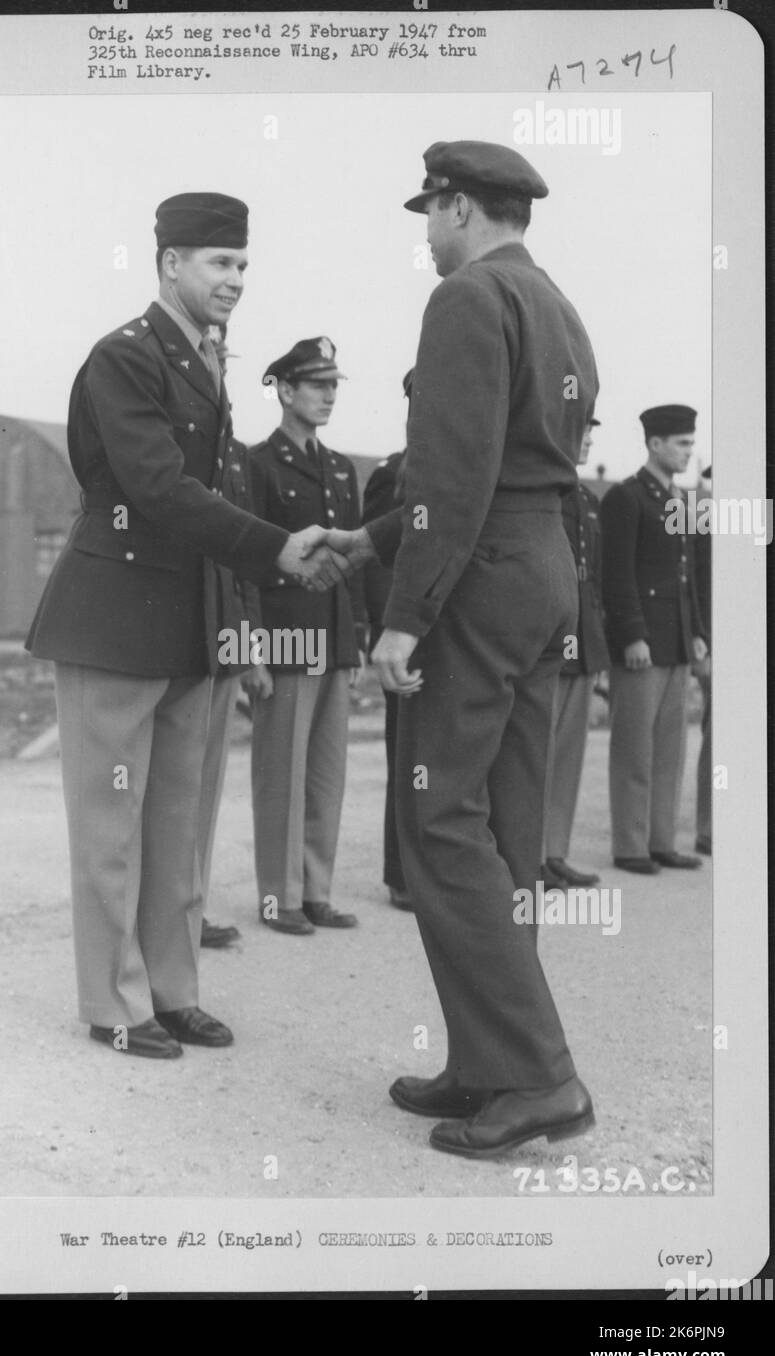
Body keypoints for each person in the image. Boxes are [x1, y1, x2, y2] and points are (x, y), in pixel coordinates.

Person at [326, 140, 599, 1158]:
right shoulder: (556, 306)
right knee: (505, 825)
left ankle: (538, 1077)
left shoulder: (464, 300)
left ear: (454, 207)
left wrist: (402, 615)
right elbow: (514, 469)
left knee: (439, 820)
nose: (426, 237)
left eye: (427, 215)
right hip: (539, 568)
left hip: (479, 579)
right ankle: (488, 1060)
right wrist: (372, 536)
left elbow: (451, 467)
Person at [25, 193, 344, 1059]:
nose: (235, 279)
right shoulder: (124, 358)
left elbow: (217, 498)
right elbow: (160, 489)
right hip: (114, 622)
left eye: (242, 265)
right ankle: (115, 1004)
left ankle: (172, 992)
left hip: (190, 626)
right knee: (111, 830)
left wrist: (236, 627)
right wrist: (277, 549)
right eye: (218, 263)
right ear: (169, 263)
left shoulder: (205, 360)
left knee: (177, 828)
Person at [244, 337, 365, 935]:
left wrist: (358, 638)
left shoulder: (341, 468)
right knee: (281, 775)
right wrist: (251, 649)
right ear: (284, 391)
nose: (328, 395)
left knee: (324, 773)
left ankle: (316, 891)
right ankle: (279, 896)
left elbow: (356, 563)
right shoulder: (256, 465)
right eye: (317, 385)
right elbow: (243, 562)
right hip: (286, 639)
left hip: (335, 638)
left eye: (334, 385)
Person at [600, 405, 708, 874]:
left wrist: (699, 634)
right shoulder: (626, 498)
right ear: (655, 444)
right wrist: (631, 636)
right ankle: (630, 846)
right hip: (642, 643)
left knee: (670, 748)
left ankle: (661, 840)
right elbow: (617, 575)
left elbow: (690, 578)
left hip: (679, 639)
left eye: (690, 442)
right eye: (681, 443)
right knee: (634, 748)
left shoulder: (682, 502)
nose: (688, 451)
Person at [541, 417, 610, 889]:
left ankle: (555, 851)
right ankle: (530, 856)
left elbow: (595, 577)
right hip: (548, 641)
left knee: (567, 757)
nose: (587, 439)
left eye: (591, 432)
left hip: (583, 643)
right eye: (580, 430)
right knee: (536, 757)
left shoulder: (585, 497)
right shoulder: (543, 490)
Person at [197, 326, 249, 949]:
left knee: (206, 784)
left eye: (222, 352)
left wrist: (250, 634)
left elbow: (245, 552)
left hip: (226, 629)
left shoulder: (231, 456)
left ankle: (192, 904)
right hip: (185, 626)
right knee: (173, 785)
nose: (215, 359)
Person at [361, 369, 416, 911]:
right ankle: (402, 875)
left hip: (457, 636)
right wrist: (391, 628)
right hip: (410, 637)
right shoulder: (395, 474)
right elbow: (378, 564)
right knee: (410, 754)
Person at [693, 465, 712, 857]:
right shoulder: (703, 528)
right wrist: (702, 643)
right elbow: (692, 589)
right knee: (720, 735)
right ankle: (709, 828)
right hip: (719, 643)